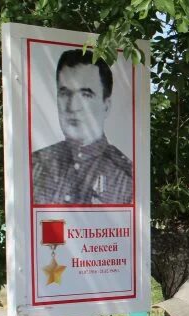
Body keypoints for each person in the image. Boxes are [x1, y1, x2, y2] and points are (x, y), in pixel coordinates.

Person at [32, 49, 133, 205]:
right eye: (65, 93)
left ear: (106, 106)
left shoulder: (126, 177)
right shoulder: (36, 164)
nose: (73, 106)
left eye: (86, 94)